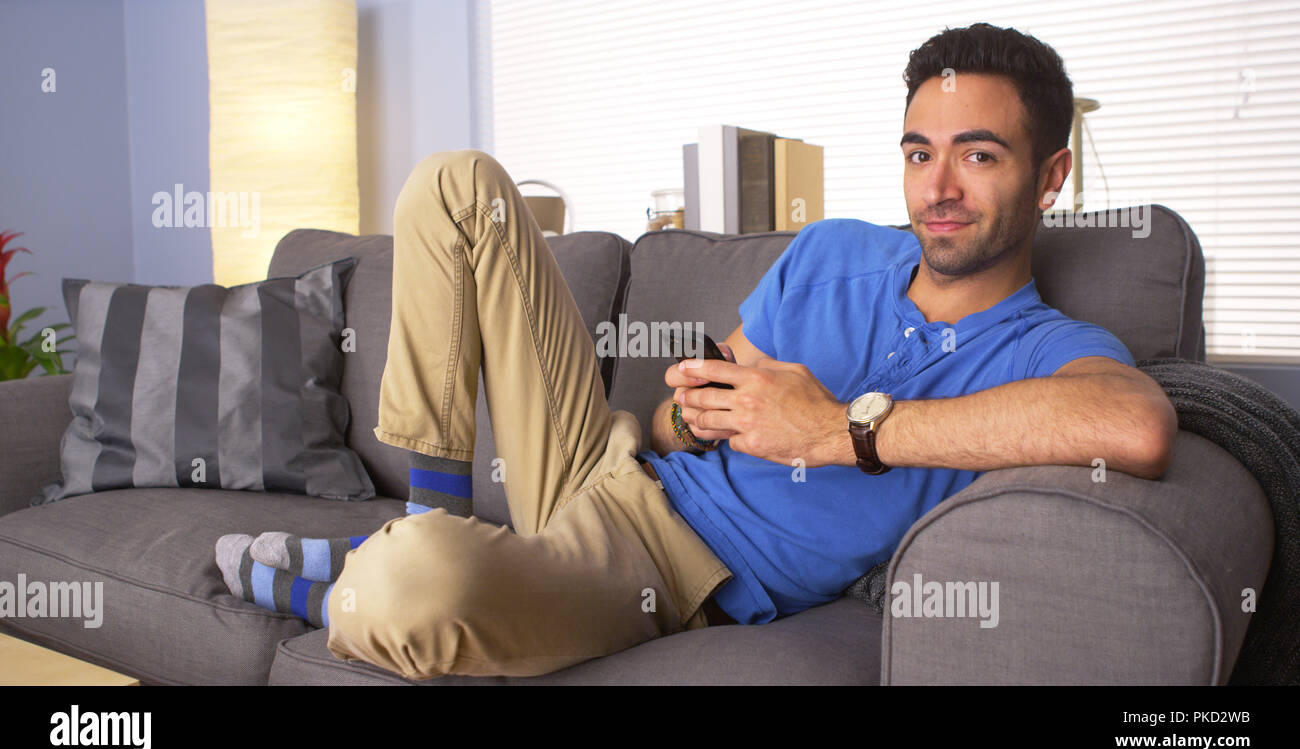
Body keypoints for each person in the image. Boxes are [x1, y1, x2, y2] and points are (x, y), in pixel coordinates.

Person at [214, 22, 1177, 680]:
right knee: (455, 183)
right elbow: (696, 414)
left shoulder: (1049, 348)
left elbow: (1133, 425)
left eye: (978, 153)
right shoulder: (835, 247)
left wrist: (837, 428)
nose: (939, 187)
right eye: (920, 153)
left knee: (409, 589)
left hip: (668, 564)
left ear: (1049, 176)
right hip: (607, 456)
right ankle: (430, 512)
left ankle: (376, 565)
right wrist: (694, 411)